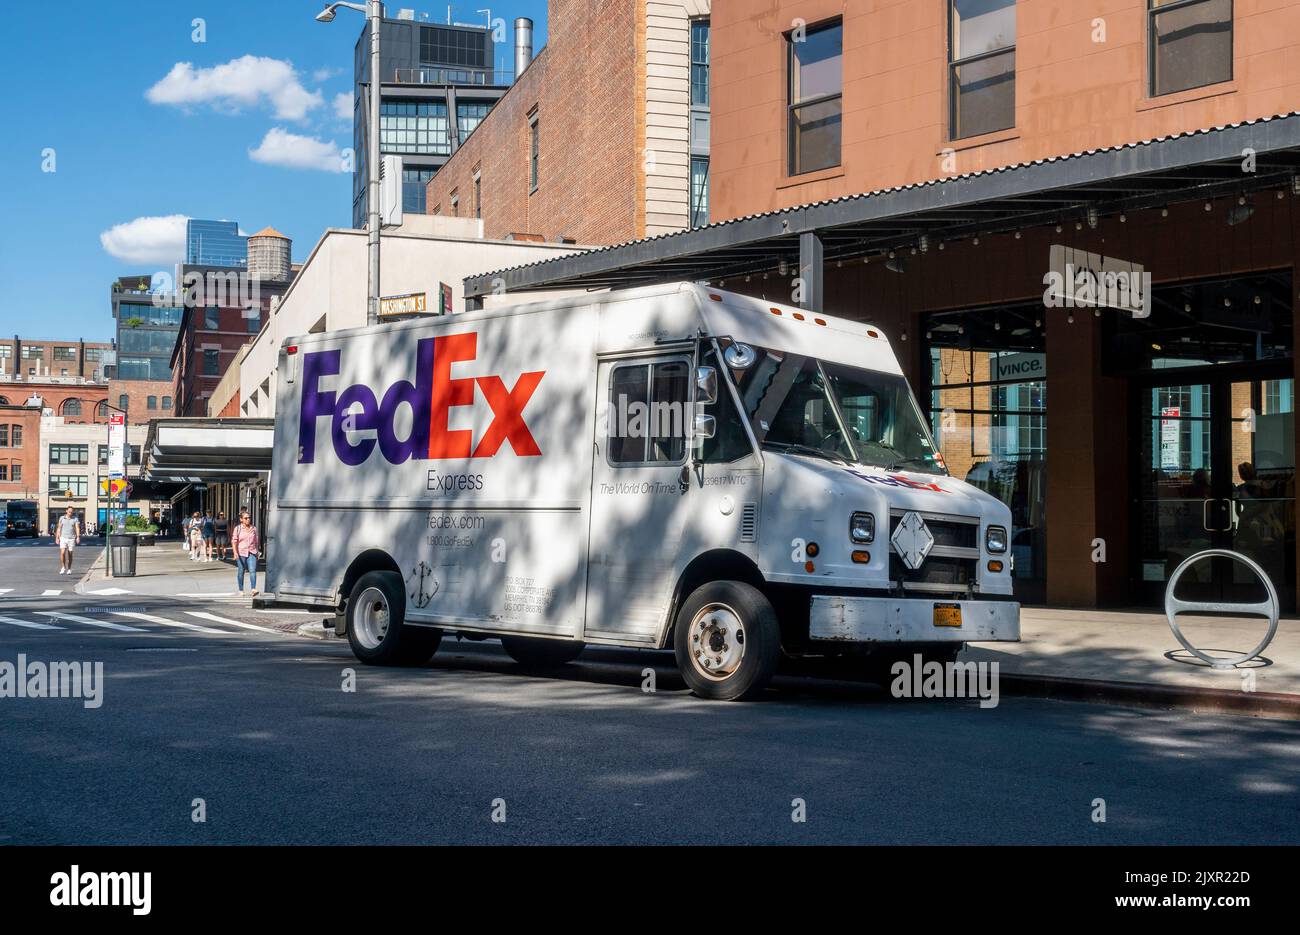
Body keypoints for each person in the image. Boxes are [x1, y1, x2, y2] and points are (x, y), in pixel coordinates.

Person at [230, 511, 260, 596]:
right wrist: (235, 552)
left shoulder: (254, 528)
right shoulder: (238, 528)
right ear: (241, 519)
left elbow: (256, 541)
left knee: (252, 570)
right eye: (246, 518)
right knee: (241, 571)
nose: (248, 519)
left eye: (249, 518)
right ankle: (241, 589)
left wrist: (257, 552)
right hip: (241, 552)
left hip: (252, 552)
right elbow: (234, 541)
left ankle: (253, 589)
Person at [55, 506, 80, 576]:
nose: (70, 513)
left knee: (70, 554)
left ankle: (69, 568)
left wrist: (78, 537)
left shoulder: (75, 519)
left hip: (71, 538)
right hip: (63, 538)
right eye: (69, 511)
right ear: (66, 511)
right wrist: (57, 537)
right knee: (62, 553)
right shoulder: (62, 518)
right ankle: (63, 567)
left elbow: (77, 528)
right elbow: (59, 528)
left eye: (72, 512)